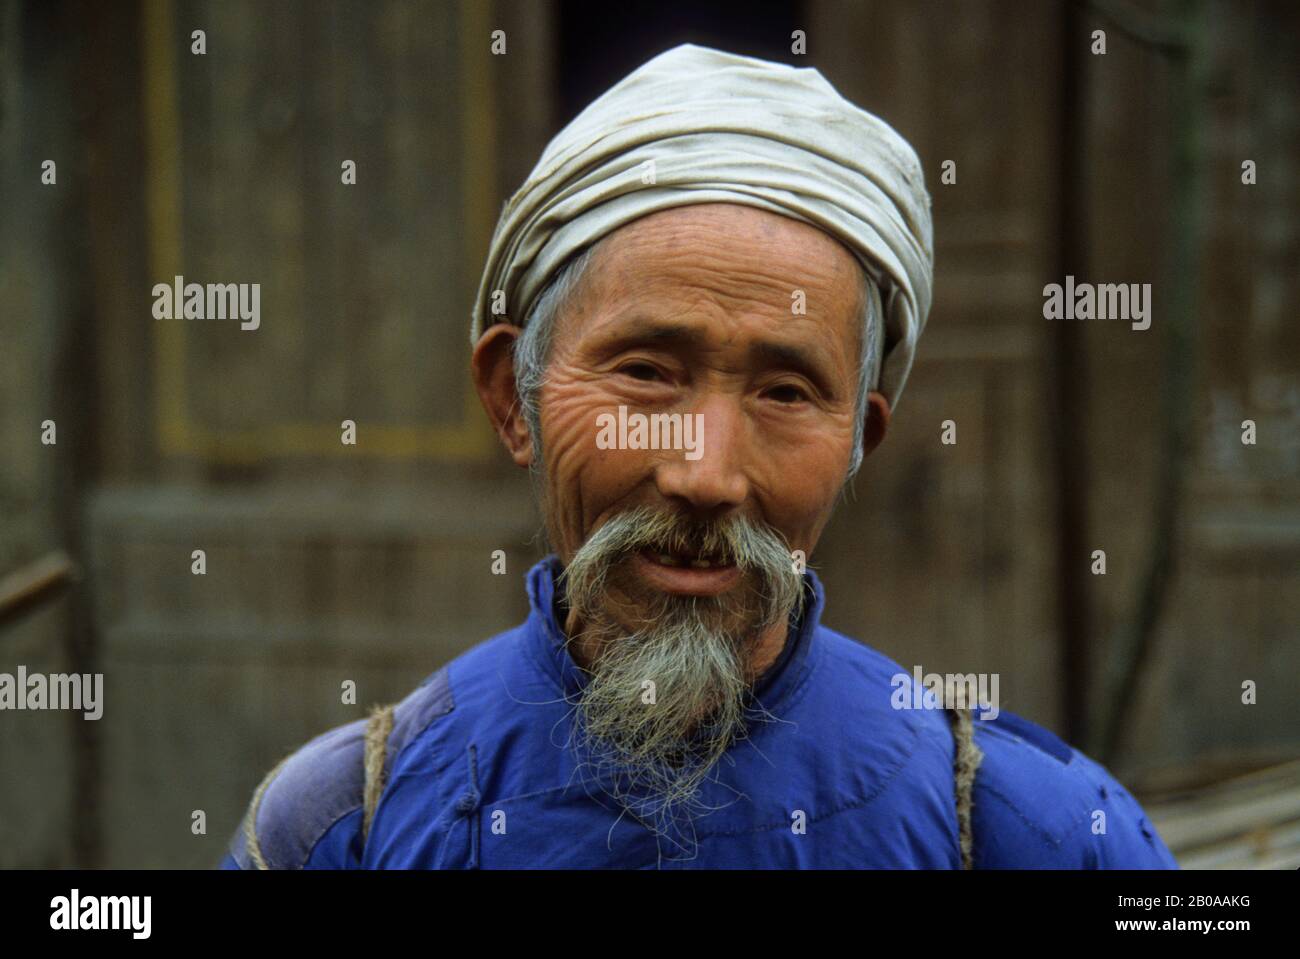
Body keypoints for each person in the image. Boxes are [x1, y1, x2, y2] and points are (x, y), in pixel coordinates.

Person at [221, 43, 1177, 869]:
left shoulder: (1035, 831)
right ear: (516, 395)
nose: (705, 474)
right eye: (646, 372)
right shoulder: (342, 828)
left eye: (785, 393)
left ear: (859, 442)